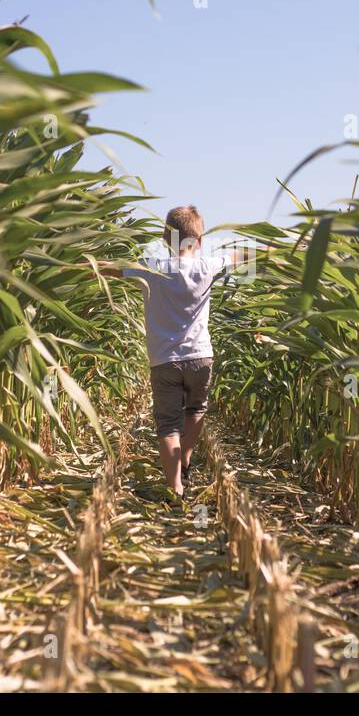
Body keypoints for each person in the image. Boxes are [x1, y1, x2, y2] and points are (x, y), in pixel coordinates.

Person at [92, 205, 236, 497]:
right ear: (199, 241)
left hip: (165, 362)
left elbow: (107, 267)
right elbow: (242, 256)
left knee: (168, 424)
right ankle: (185, 460)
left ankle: (176, 487)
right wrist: (279, 248)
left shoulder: (151, 267)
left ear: (164, 239)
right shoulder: (207, 266)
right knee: (196, 410)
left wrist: (71, 265)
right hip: (200, 357)